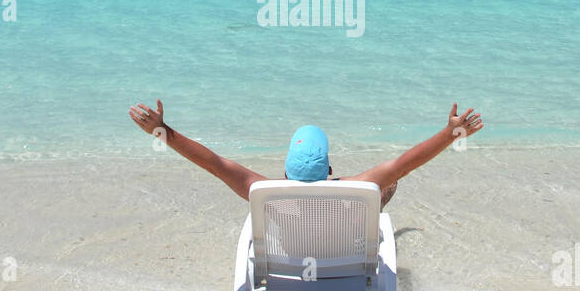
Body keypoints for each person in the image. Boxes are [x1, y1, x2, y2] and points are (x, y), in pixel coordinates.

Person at [127, 100, 483, 206]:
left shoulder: (262, 192)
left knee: (388, 183)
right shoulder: (356, 189)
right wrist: (451, 134)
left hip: (287, 269)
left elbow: (212, 162)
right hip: (345, 260)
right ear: (329, 167)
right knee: (388, 185)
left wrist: (163, 131)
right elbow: (408, 162)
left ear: (285, 170)